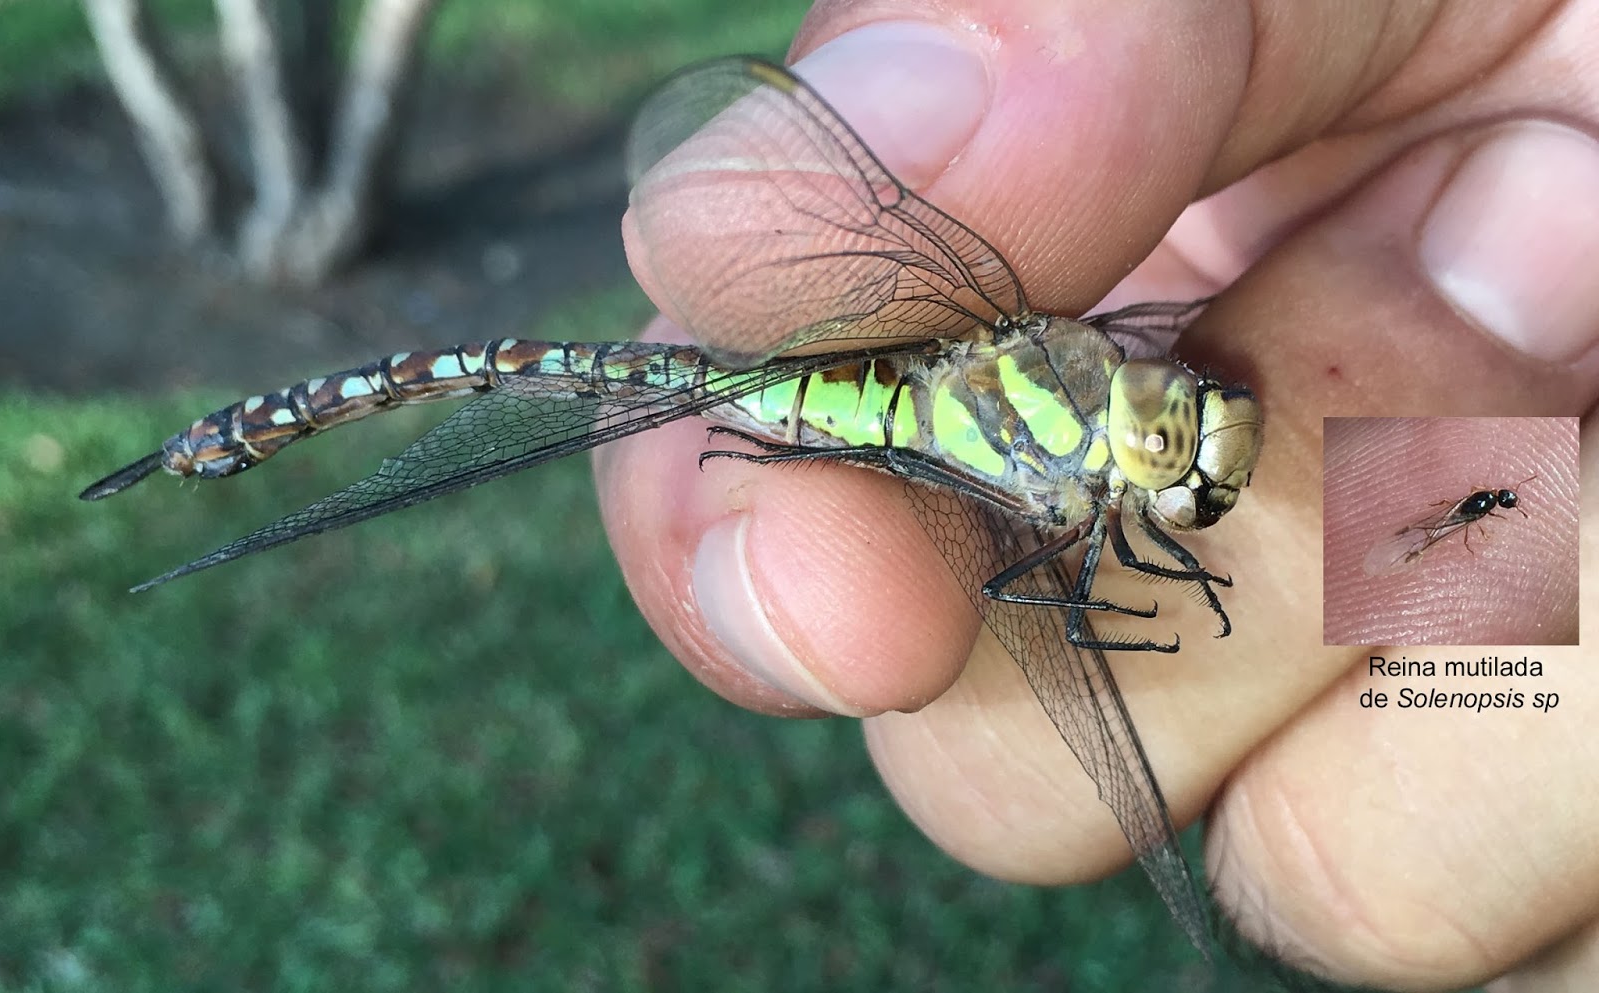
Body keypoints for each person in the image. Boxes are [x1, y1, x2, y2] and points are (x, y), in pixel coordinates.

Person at [594, 3, 1599, 989]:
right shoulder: (1081, 461)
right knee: (1060, 626)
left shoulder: (1092, 427)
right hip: (850, 398)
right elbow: (1056, 580)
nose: (1200, 444)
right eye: (1173, 435)